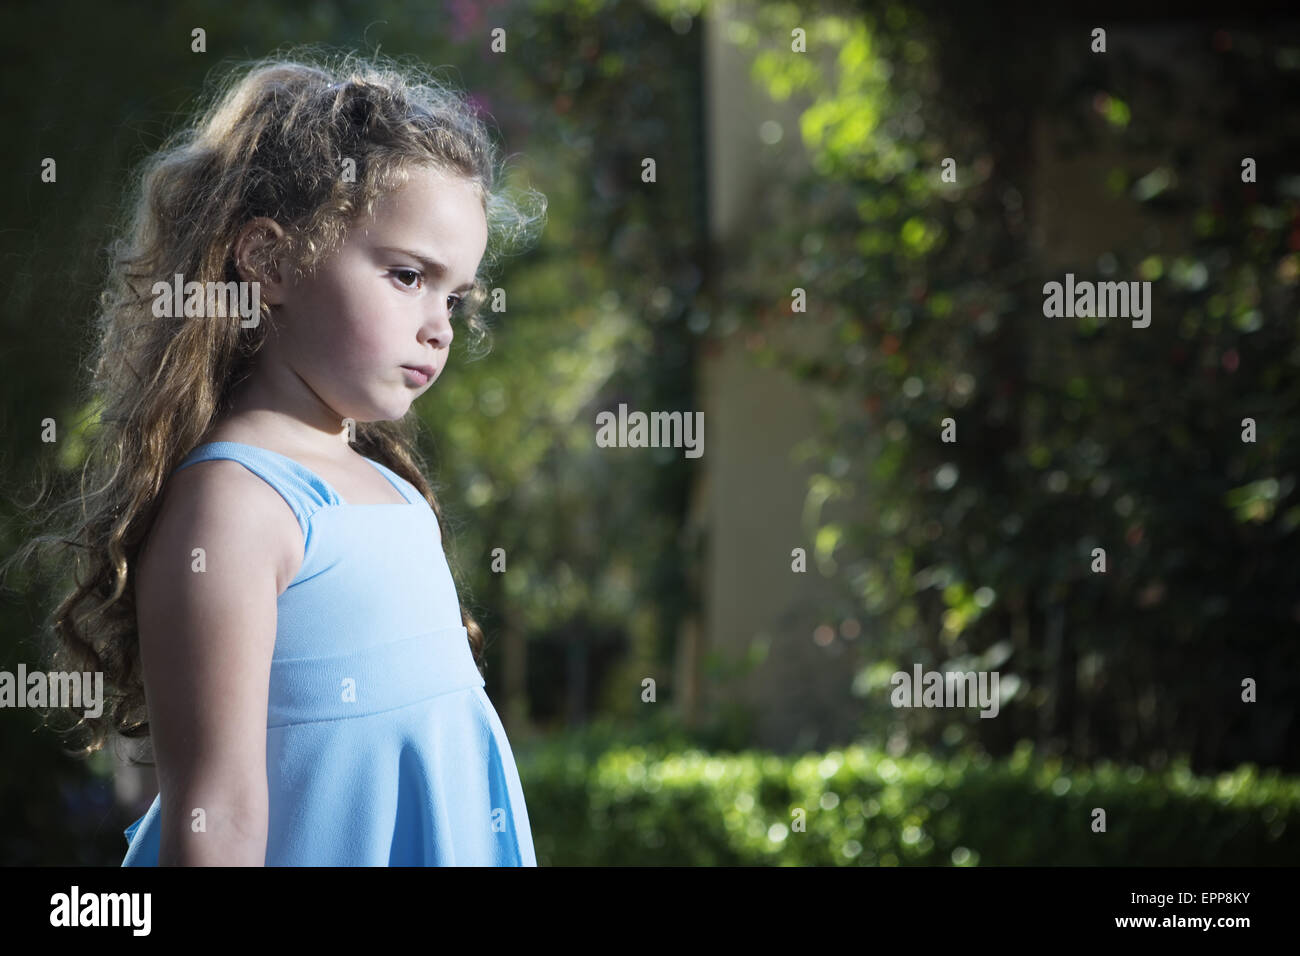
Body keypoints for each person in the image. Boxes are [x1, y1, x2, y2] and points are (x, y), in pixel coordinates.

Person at [23, 50, 546, 865]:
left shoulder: (391, 489)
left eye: (457, 296)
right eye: (408, 276)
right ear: (268, 262)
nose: (440, 324)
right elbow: (219, 819)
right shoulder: (236, 506)